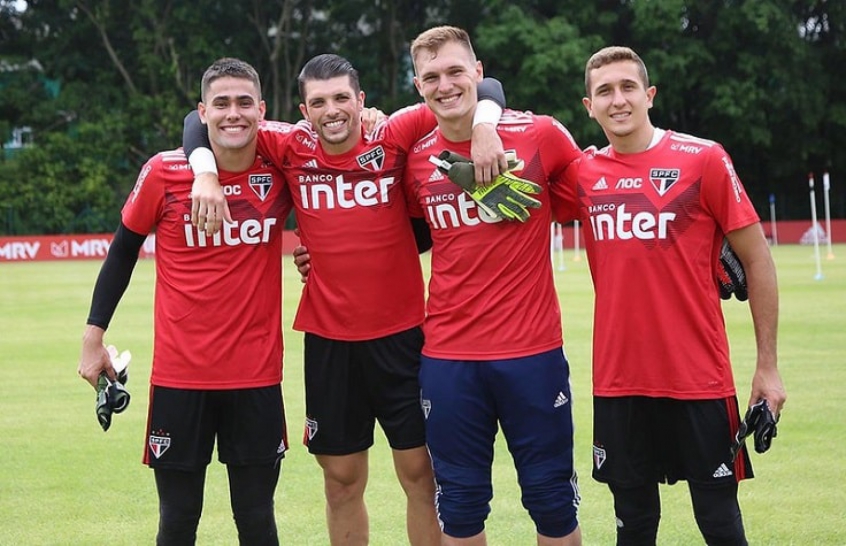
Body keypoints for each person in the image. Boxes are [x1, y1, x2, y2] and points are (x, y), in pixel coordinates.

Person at [183, 53, 508, 546]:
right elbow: (195, 120)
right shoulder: (289, 145)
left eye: (341, 98)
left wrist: (485, 128)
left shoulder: (392, 134)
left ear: (361, 101)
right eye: (319, 102)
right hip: (331, 343)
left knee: (422, 477)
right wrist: (204, 172)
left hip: (404, 339)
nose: (331, 110)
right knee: (340, 481)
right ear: (302, 110)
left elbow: (489, 87)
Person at [562, 45, 787, 545]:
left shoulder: (702, 158)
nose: (617, 100)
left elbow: (757, 260)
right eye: (604, 91)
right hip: (620, 382)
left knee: (720, 523)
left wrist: (767, 366)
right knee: (634, 526)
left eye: (627, 87)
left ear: (649, 95)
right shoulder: (583, 173)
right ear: (588, 106)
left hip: (698, 379)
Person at [77, 58, 289, 545]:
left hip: (255, 377)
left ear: (262, 109)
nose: (232, 114)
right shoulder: (163, 171)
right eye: (220, 104)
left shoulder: (281, 166)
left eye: (243, 103)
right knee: (177, 520)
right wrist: (93, 339)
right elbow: (122, 252)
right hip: (180, 378)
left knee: (257, 519)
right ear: (202, 111)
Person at [401, 26, 583, 545]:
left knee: (551, 500)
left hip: (532, 352)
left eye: (457, 71)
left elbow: (603, 193)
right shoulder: (415, 157)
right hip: (449, 359)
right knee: (458, 506)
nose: (446, 85)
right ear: (418, 86)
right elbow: (399, 237)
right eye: (432, 76)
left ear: (479, 73)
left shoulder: (542, 134)